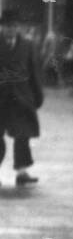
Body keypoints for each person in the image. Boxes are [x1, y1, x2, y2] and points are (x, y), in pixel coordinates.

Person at [0, 10, 43, 187]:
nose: (11, 30)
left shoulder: (27, 45)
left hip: (21, 98)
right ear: (2, 27)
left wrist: (37, 96)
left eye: (15, 26)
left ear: (19, 28)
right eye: (8, 26)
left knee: (23, 135)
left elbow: (34, 73)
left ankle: (22, 172)